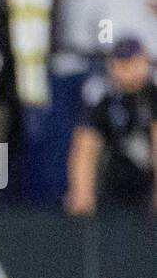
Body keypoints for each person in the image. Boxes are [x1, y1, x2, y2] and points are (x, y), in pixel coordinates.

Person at [66, 36, 157, 215]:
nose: (128, 70)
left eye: (133, 63)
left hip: (147, 178)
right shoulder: (102, 93)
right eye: (122, 64)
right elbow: (85, 144)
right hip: (114, 176)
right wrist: (82, 192)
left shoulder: (152, 92)